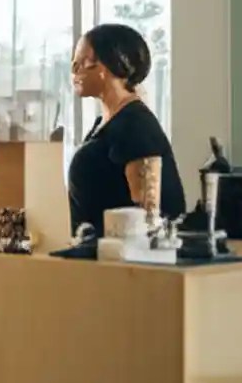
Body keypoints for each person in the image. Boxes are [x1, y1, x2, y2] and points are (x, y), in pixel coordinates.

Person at [68, 23, 186, 236]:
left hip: (122, 260)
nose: (74, 72)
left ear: (105, 67)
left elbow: (149, 219)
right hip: (97, 255)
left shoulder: (135, 126)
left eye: (80, 63)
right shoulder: (104, 123)